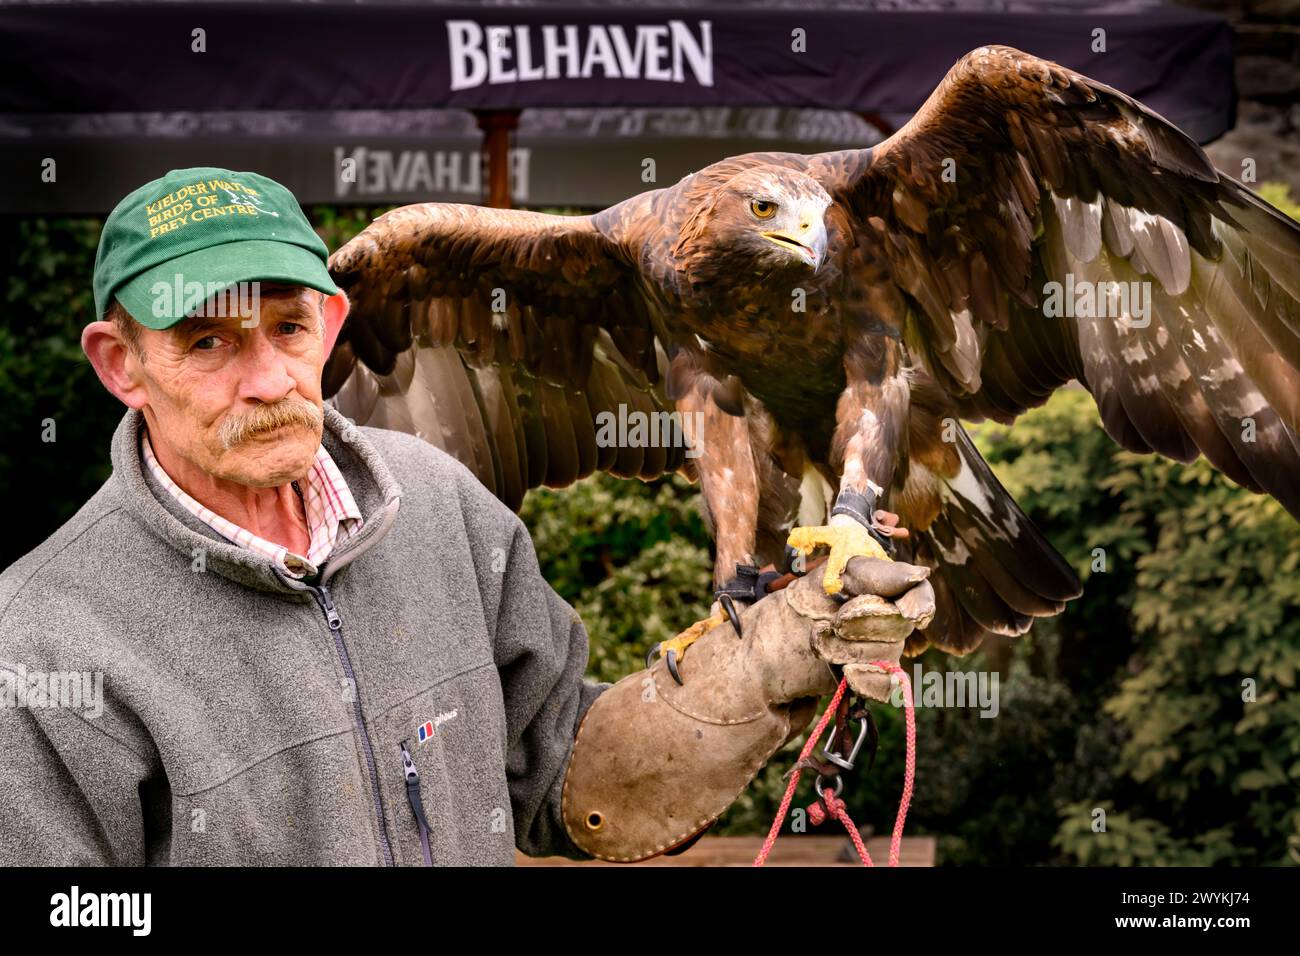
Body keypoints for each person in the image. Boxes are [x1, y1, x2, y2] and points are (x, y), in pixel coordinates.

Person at [0, 167, 934, 865]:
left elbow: (571, 779)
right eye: (207, 341)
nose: (264, 380)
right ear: (121, 364)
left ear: (328, 327)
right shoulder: (40, 646)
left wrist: (765, 665)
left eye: (286, 330)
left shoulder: (435, 508)